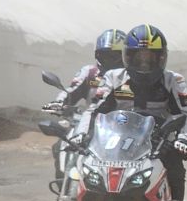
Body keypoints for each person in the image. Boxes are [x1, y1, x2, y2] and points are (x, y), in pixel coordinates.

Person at [75, 24, 187, 201]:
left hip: (158, 143)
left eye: (150, 57)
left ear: (161, 57)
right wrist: (81, 134)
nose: (144, 63)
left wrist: (183, 139)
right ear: (127, 56)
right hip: (115, 140)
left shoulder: (174, 80)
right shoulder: (113, 78)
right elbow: (93, 110)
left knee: (175, 176)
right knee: (87, 174)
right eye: (138, 56)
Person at [43, 29, 126, 180]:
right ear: (97, 55)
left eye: (115, 56)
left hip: (120, 128)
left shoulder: (129, 78)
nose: (110, 60)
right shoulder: (89, 72)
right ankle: (61, 186)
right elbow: (72, 90)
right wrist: (60, 102)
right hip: (89, 124)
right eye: (105, 55)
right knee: (60, 147)